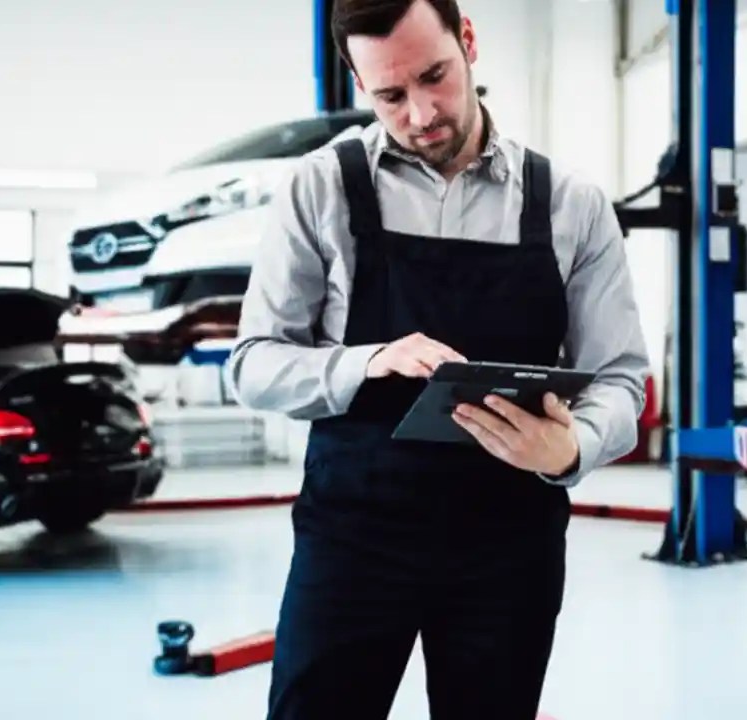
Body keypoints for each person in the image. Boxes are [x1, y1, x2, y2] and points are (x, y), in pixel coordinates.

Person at [225, 0, 649, 717]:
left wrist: (572, 444)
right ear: (359, 82)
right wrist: (368, 361)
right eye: (390, 95)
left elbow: (620, 378)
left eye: (435, 77)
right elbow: (253, 363)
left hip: (509, 541)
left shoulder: (570, 205)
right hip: (355, 536)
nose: (421, 114)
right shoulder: (320, 187)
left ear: (468, 42)